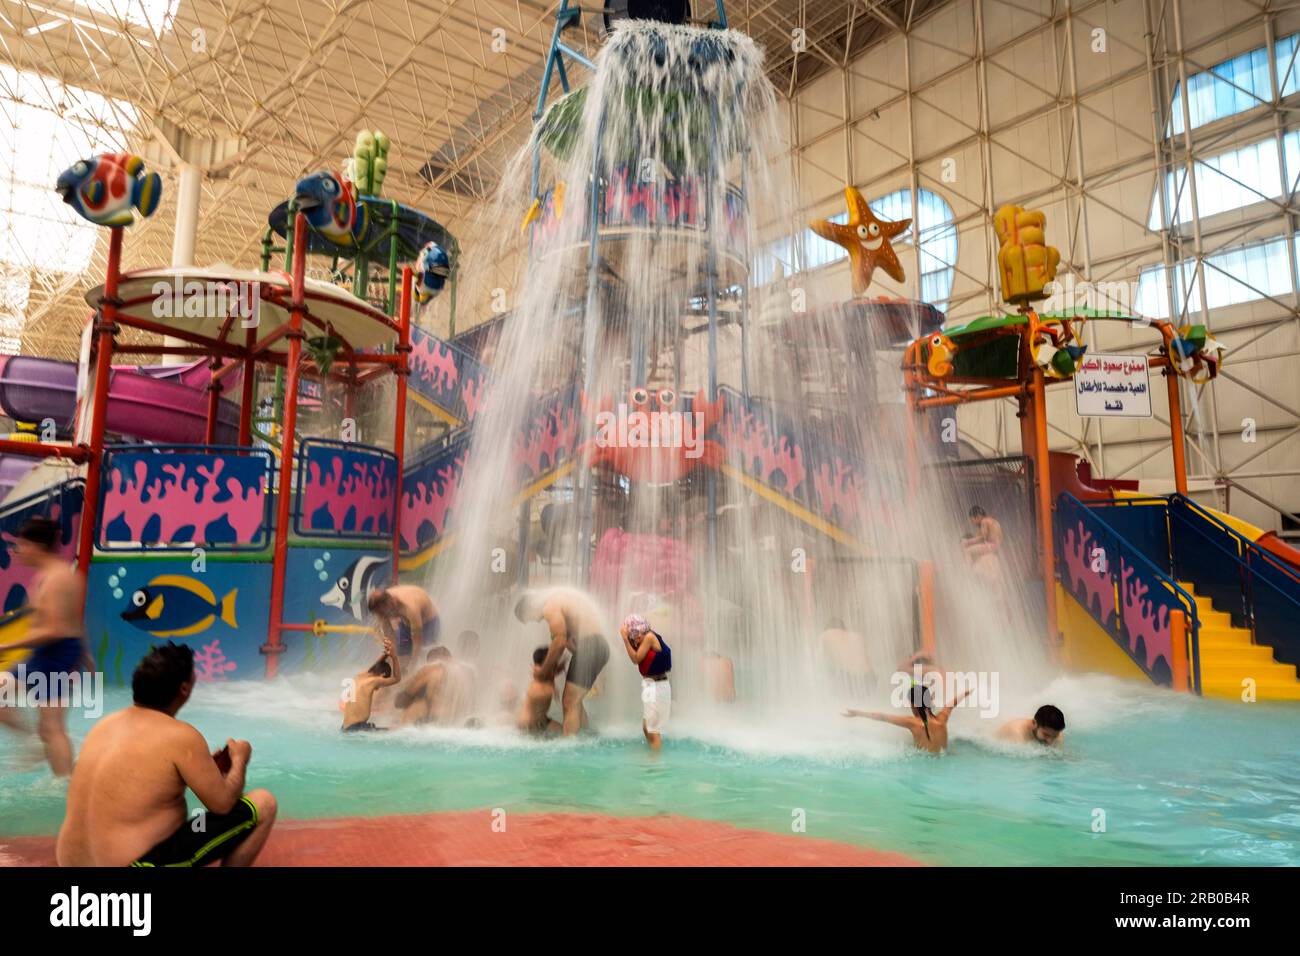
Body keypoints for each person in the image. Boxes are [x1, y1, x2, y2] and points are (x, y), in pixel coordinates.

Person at [55, 642, 277, 867]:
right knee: (263, 802)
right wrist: (239, 759)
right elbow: (223, 805)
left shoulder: (104, 726)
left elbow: (135, 786)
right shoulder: (181, 737)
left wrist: (207, 769)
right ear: (184, 689)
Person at [0, 517, 91, 776]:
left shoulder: (58, 579)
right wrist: (86, 655)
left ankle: (65, 782)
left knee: (52, 728)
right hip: (47, 654)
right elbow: (73, 621)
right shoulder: (48, 576)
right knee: (49, 728)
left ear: (36, 546)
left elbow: (57, 629)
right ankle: (34, 745)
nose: (16, 552)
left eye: (20, 545)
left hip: (55, 655)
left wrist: (6, 646)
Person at [514, 587, 610, 736]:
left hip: (591, 646)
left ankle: (569, 748)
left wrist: (543, 670)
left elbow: (559, 641)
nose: (537, 620)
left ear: (530, 606)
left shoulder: (549, 607)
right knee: (575, 700)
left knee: (569, 701)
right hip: (597, 646)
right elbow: (568, 641)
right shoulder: (561, 601)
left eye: (530, 618)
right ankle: (585, 737)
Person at [842, 682, 973, 754]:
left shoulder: (913, 723)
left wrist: (858, 713)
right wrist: (966, 693)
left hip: (924, 764)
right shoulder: (942, 719)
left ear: (915, 705)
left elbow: (883, 717)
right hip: (943, 758)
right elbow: (951, 704)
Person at [618, 614, 671, 751]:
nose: (636, 639)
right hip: (650, 686)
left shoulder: (649, 637)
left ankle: (656, 764)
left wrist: (624, 638)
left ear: (642, 629)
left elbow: (636, 659)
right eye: (632, 636)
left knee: (652, 728)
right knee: (646, 727)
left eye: (636, 634)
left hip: (658, 686)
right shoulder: (643, 639)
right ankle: (654, 754)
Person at [341, 639, 401, 731]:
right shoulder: (373, 681)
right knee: (395, 731)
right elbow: (397, 679)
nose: (378, 688)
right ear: (382, 676)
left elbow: (374, 667)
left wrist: (386, 653)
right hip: (357, 729)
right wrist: (394, 657)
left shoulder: (359, 677)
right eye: (381, 685)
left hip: (345, 728)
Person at [367, 586, 438, 661]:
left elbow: (417, 643)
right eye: (379, 614)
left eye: (382, 613)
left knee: (427, 656)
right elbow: (390, 637)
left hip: (429, 624)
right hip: (406, 623)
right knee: (402, 657)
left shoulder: (410, 608)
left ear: (390, 603)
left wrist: (412, 667)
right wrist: (391, 659)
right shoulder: (381, 605)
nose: (381, 616)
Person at [817, 617, 872, 694]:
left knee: (826, 672)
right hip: (869, 680)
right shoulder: (857, 636)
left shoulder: (824, 635)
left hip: (847, 680)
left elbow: (818, 661)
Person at [517, 646, 562, 735]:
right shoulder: (537, 682)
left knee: (565, 731)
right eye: (552, 662)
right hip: (528, 724)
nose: (556, 664)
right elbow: (541, 690)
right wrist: (552, 690)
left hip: (542, 720)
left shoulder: (548, 676)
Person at [962, 505, 1004, 582]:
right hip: (995, 546)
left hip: (991, 546)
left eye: (972, 520)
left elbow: (982, 537)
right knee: (974, 549)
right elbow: (981, 535)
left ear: (978, 516)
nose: (973, 523)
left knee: (967, 551)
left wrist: (968, 542)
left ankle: (968, 571)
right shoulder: (992, 521)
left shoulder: (984, 521)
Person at [997, 705, 1066, 748]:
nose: (1050, 741)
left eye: (1054, 736)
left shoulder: (1057, 734)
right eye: (1046, 735)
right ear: (1034, 723)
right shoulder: (1016, 732)